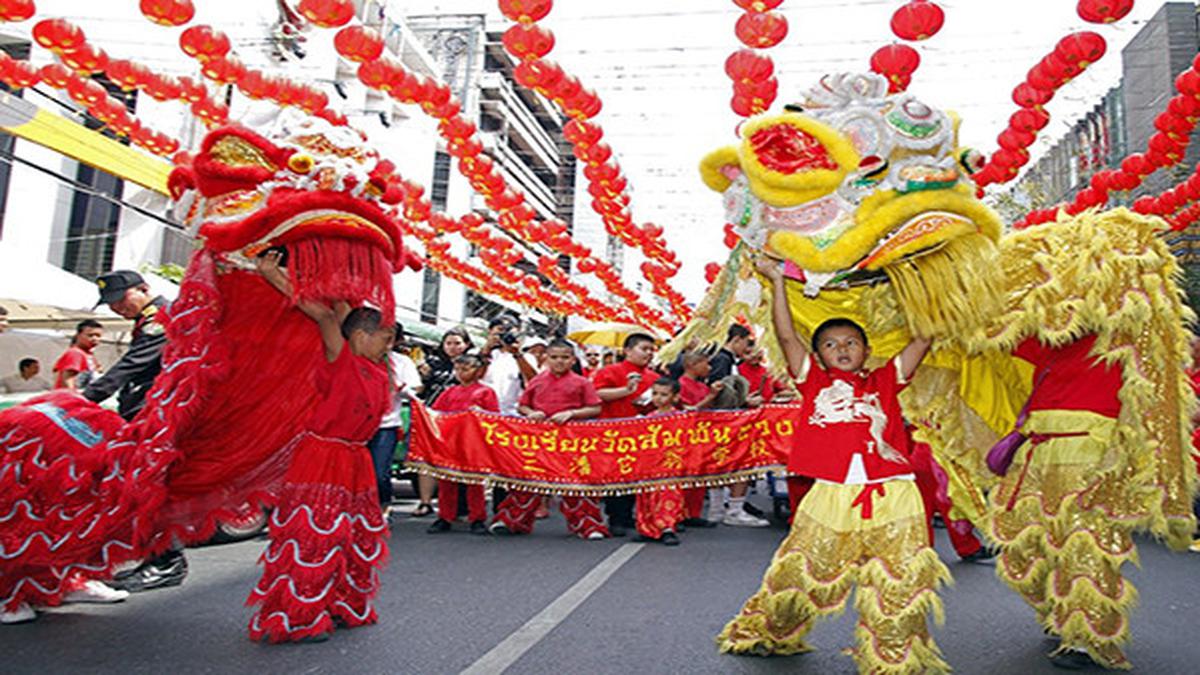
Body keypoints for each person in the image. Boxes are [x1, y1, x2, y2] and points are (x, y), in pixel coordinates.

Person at [718, 258, 948, 674]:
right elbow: (786, 335)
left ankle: (893, 658)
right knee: (802, 571)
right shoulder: (814, 382)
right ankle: (772, 630)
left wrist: (925, 280)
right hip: (831, 493)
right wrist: (776, 282)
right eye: (830, 344)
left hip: (893, 492)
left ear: (867, 351)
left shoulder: (885, 380)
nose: (842, 349)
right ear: (818, 356)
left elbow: (924, 336)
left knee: (899, 578)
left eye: (850, 343)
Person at [248, 251, 393, 643]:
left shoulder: (379, 368)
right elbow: (330, 316)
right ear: (361, 335)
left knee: (353, 535)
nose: (389, 344)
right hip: (323, 457)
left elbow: (343, 305)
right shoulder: (341, 353)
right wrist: (272, 274)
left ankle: (341, 604)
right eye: (386, 336)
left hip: (356, 459)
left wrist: (345, 271)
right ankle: (297, 616)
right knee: (315, 536)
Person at [82, 270, 186, 593]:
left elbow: (132, 365)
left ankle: (167, 562)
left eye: (120, 300)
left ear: (143, 288)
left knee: (151, 488)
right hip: (144, 413)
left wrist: (85, 398)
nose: (116, 308)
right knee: (144, 489)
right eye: (110, 304)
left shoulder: (161, 318)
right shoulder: (146, 319)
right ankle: (158, 559)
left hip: (157, 416)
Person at [490, 339, 608, 539]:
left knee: (575, 483)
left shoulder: (582, 382)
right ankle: (511, 520)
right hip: (539, 439)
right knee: (527, 481)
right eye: (554, 357)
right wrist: (532, 413)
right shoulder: (538, 380)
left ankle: (588, 525)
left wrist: (571, 413)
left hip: (571, 441)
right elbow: (522, 405)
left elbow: (595, 408)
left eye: (564, 357)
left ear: (573, 360)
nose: (559, 361)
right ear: (546, 358)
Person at [592, 333, 658, 536]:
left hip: (643, 433)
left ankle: (633, 516)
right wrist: (627, 390)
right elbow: (597, 394)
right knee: (616, 477)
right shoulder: (610, 371)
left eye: (651, 350)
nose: (648, 353)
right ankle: (616, 518)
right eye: (643, 348)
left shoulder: (654, 377)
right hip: (614, 433)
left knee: (638, 477)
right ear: (627, 350)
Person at [704, 325, 769, 527]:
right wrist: (746, 401)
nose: (747, 349)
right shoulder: (723, 360)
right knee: (740, 464)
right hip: (726, 421)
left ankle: (717, 510)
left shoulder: (726, 359)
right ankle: (733, 510)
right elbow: (722, 395)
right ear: (737, 339)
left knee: (720, 464)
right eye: (746, 343)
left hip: (723, 420)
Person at [427, 353, 499, 535]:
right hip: (450, 442)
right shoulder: (449, 391)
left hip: (473, 444)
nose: (460, 373)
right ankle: (445, 516)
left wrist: (481, 412)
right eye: (458, 369)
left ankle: (477, 518)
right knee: (446, 481)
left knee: (474, 482)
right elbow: (435, 413)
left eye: (465, 369)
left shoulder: (485, 392)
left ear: (478, 371)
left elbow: (494, 417)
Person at [415, 327, 474, 517]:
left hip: (462, 422)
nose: (453, 347)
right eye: (448, 343)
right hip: (433, 417)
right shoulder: (433, 364)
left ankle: (464, 508)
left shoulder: (476, 364)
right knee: (428, 460)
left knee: (460, 464)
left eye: (457, 343)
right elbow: (421, 389)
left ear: (466, 344)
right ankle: (426, 502)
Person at [367, 323, 423, 517]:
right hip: (359, 424)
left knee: (380, 471)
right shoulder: (361, 358)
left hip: (386, 425)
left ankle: (383, 507)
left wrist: (403, 389)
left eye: (390, 338)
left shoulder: (401, 362)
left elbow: (416, 388)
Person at [633, 377, 686, 546]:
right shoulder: (648, 417)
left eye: (664, 394)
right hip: (649, 464)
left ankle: (667, 528)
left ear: (675, 397)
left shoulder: (680, 418)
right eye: (655, 393)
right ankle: (646, 528)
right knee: (646, 496)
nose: (658, 398)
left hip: (670, 464)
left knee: (668, 495)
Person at [480, 316, 536, 416]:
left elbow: (534, 381)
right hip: (482, 411)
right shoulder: (478, 353)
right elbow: (472, 377)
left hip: (511, 413)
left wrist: (517, 354)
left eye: (509, 330)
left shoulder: (527, 357)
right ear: (490, 331)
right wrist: (487, 349)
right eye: (501, 330)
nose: (505, 334)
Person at [53, 319, 104, 391]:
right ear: (78, 335)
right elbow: (67, 379)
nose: (95, 338)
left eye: (98, 336)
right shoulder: (75, 353)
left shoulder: (88, 355)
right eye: (90, 335)